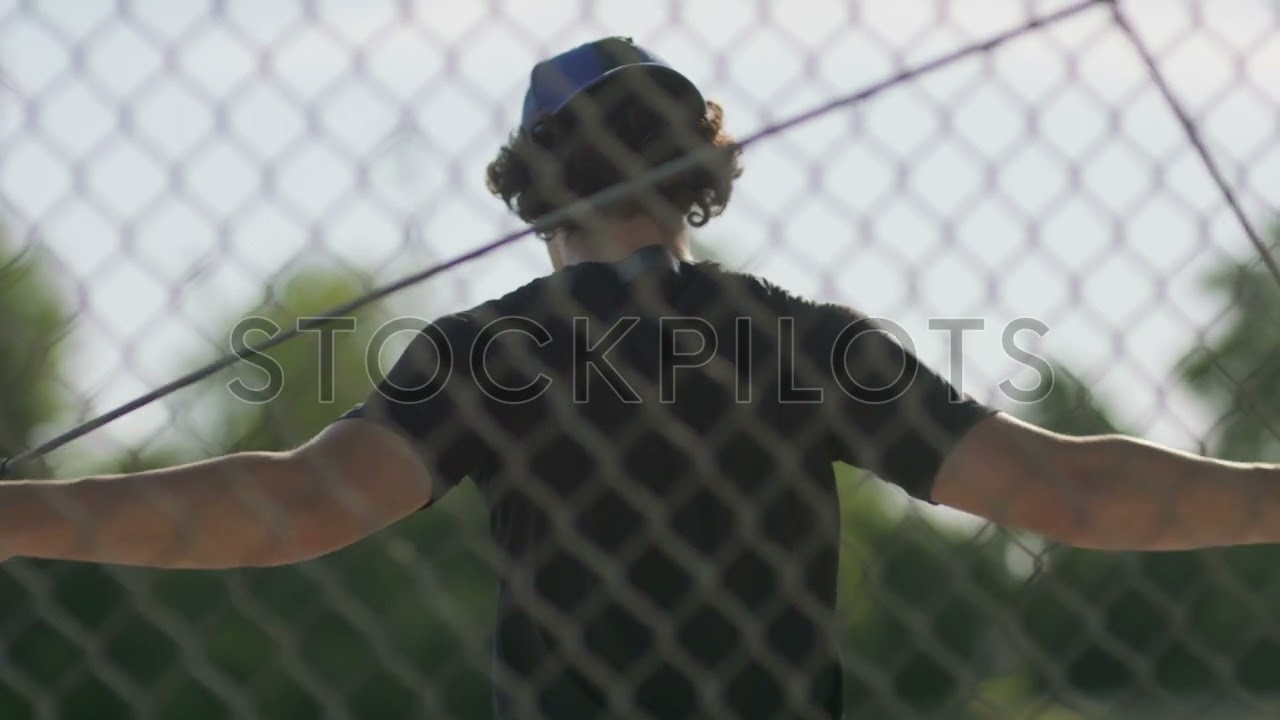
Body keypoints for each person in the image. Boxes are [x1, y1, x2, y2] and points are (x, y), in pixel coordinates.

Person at [0, 35, 1276, 720]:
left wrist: (16, 518)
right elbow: (1066, 491)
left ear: (528, 187)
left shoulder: (490, 352)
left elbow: (296, 507)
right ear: (696, 177)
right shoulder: (799, 341)